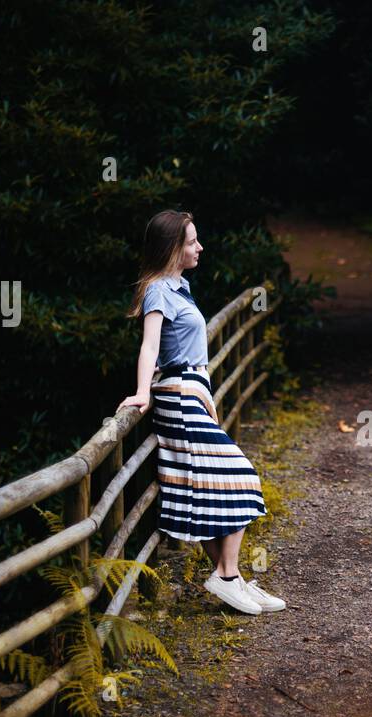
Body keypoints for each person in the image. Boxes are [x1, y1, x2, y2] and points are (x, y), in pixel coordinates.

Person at [116, 209, 285, 616]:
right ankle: (226, 577)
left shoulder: (180, 286)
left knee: (210, 487)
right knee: (241, 477)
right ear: (172, 247)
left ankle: (232, 578)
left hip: (193, 391)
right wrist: (142, 391)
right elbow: (149, 346)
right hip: (178, 395)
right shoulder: (159, 291)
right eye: (192, 241)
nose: (200, 247)